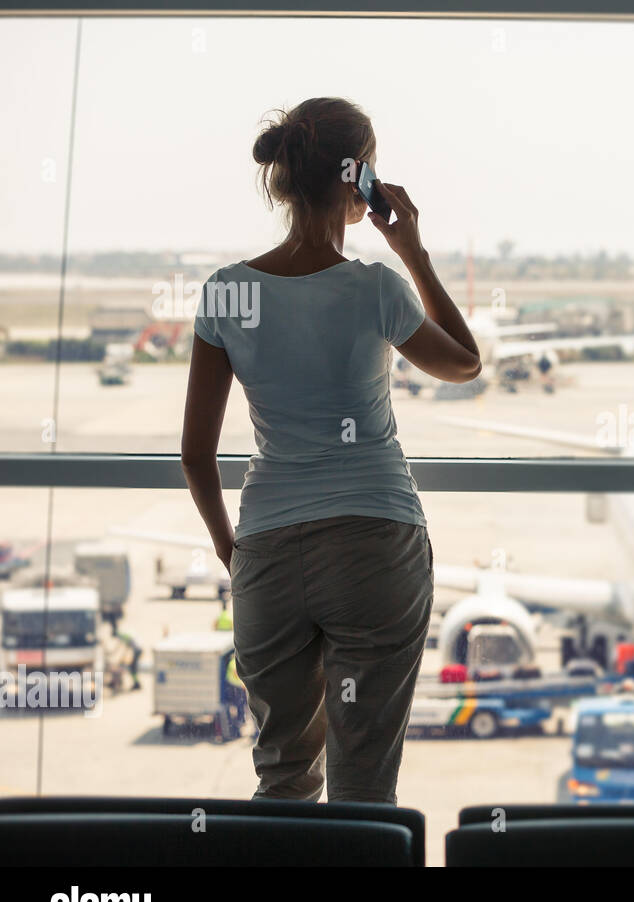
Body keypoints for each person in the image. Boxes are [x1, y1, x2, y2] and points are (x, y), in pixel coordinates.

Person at [181, 97, 481, 803]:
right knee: (364, 782)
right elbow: (466, 363)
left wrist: (236, 551)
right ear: (360, 183)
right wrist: (412, 250)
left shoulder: (226, 295)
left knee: (282, 776)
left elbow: (196, 455)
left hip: (269, 549)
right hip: (375, 544)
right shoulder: (375, 287)